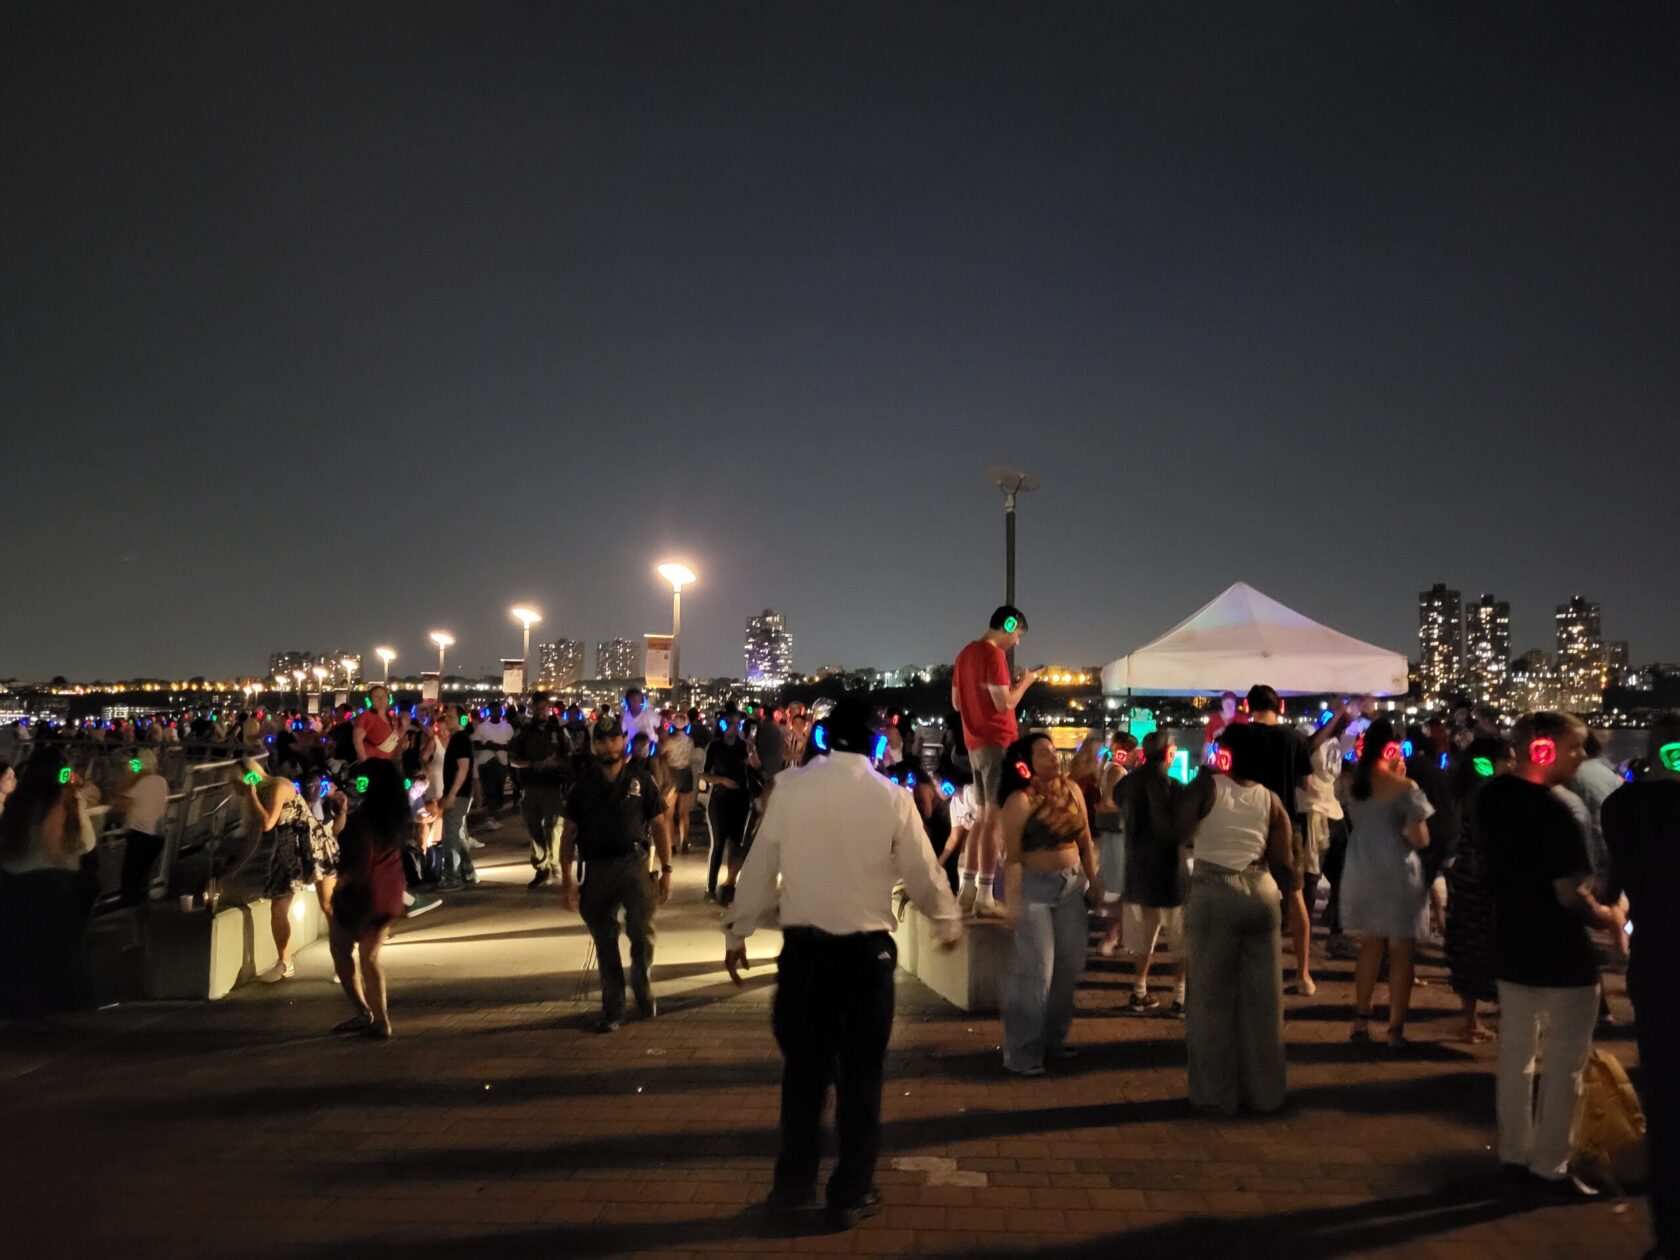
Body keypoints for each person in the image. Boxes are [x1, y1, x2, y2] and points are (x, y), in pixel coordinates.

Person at [722, 699, 963, 1231]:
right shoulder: (893, 799)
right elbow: (923, 875)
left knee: (804, 1074)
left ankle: (793, 1185)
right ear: (877, 742)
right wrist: (947, 922)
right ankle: (850, 1191)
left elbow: (760, 866)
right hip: (865, 957)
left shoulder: (789, 790)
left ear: (825, 737)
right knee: (861, 1078)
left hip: (805, 954)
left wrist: (738, 931)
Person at [1478, 711, 1625, 1199]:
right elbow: (1570, 893)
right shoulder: (1562, 809)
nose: (1581, 757)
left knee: (1515, 1055)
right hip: (1561, 950)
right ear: (1542, 749)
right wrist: (1610, 918)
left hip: (1511, 940)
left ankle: (1515, 1154)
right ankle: (1550, 1166)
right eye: (1575, 747)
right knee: (1564, 1065)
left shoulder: (1492, 795)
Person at [1176, 722, 1294, 1115]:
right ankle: (1264, 1092)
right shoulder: (1271, 800)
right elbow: (1285, 862)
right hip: (1261, 892)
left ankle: (1215, 1094)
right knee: (1262, 1002)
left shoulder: (1209, 787)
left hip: (1214, 891)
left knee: (1211, 1000)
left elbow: (1174, 828)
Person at [1601, 714, 1680, 1260]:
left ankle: (1669, 1231)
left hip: (1657, 963)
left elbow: (1612, 883)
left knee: (1668, 1098)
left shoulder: (1622, 808)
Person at [997, 731, 1103, 1075]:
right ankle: (1022, 1050)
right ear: (1026, 763)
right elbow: (1012, 858)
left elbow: (1085, 840)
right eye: (1043, 753)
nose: (1053, 757)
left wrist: (1094, 880)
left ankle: (1053, 1039)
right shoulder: (1020, 801)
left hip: (1071, 886)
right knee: (1035, 974)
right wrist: (1012, 905)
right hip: (1034, 891)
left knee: (1068, 968)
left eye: (1053, 752)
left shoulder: (1072, 791)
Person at [560, 714, 673, 1033]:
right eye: (602, 740)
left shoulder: (641, 780)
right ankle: (613, 1007)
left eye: (614, 739)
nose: (609, 745)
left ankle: (642, 988)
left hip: (634, 864)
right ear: (594, 744)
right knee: (605, 941)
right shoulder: (582, 785)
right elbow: (569, 834)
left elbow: (659, 825)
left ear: (624, 741)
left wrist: (666, 869)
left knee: (640, 931)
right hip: (596, 869)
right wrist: (568, 881)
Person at [1339, 719, 1434, 1048]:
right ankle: (1395, 1029)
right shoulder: (1405, 786)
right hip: (1397, 871)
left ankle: (1360, 1019)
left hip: (1362, 867)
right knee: (1401, 950)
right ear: (1393, 747)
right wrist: (1401, 773)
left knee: (1370, 946)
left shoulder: (1351, 784)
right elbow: (1419, 838)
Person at [951, 606, 1037, 917]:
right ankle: (986, 895)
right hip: (998, 744)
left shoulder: (964, 654)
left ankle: (968, 889)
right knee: (994, 820)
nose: (1017, 642)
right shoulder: (993, 656)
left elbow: (957, 703)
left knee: (981, 817)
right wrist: (1026, 682)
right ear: (1009, 624)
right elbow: (1006, 703)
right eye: (1018, 634)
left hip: (974, 745)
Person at [0, 748, 97, 1016]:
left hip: (14, 881)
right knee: (56, 951)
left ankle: (20, 1007)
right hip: (48, 880)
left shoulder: (17, 801)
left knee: (21, 950)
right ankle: (57, 1007)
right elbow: (68, 844)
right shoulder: (57, 799)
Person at [328, 760, 417, 1039]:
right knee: (371, 957)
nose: (357, 786)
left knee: (341, 951)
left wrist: (339, 887)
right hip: (389, 893)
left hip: (361, 895)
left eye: (362, 782)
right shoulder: (397, 817)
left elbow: (358, 863)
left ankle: (364, 1012)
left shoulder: (362, 820)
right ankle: (381, 1019)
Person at [1240, 685, 1317, 997]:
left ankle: (1249, 971)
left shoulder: (1240, 737)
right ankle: (1303, 973)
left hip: (1248, 822)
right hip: (1287, 823)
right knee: (1295, 895)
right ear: (1280, 705)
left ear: (1248, 707)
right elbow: (1308, 784)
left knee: (1247, 894)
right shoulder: (1296, 739)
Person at [1107, 731, 1188, 1014]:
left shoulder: (1128, 784)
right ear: (1168, 754)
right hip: (1170, 876)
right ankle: (1181, 996)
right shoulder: (1175, 787)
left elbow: (1115, 802)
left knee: (1143, 939)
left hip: (1137, 873)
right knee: (1181, 941)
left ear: (1143, 754)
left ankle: (1139, 990)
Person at [246, 757, 342, 984]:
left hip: (313, 845)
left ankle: (342, 960)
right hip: (289, 851)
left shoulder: (279, 786)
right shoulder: (265, 793)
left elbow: (268, 823)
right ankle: (284, 962)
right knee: (278, 906)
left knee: (328, 904)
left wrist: (251, 796)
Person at [1442, 736, 1511, 1044]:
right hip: (1484, 874)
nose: (1511, 764)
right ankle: (1490, 1020)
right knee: (1491, 944)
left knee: (1466, 944)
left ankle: (1470, 1020)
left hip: (1464, 873)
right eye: (1507, 758)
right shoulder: (1487, 791)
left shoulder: (1466, 786)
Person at [510, 696, 569, 890]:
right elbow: (512, 759)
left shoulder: (558, 732)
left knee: (554, 829)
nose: (541, 711)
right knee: (534, 829)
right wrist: (531, 764)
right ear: (532, 709)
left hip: (553, 787)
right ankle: (542, 867)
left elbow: (569, 758)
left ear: (549, 709)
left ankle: (554, 864)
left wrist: (556, 763)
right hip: (530, 787)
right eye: (538, 708)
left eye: (544, 708)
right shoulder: (524, 732)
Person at [700, 710, 752, 904]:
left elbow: (755, 768)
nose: (732, 728)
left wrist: (751, 750)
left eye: (736, 725)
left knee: (736, 844)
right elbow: (704, 774)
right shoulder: (715, 746)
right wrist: (722, 780)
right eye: (729, 725)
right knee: (719, 843)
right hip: (720, 799)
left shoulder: (743, 747)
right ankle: (710, 888)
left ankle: (731, 885)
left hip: (740, 799)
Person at [113, 747, 170, 907]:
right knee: (143, 883)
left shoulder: (141, 783)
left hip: (140, 838)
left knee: (131, 886)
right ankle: (142, 925)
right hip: (157, 837)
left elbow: (119, 803)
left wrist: (127, 775)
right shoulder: (161, 781)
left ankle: (133, 924)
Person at [435, 705, 478, 888]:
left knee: (450, 836)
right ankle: (468, 872)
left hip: (459, 794)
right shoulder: (457, 739)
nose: (447, 719)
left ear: (460, 719)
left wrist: (451, 793)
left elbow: (463, 767)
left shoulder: (460, 739)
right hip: (460, 793)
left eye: (451, 716)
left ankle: (452, 877)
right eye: (446, 716)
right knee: (458, 833)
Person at [659, 715, 697, 854]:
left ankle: (671, 844)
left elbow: (659, 753)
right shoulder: (690, 741)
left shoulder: (669, 742)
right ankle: (684, 841)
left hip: (672, 775)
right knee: (684, 812)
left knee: (669, 813)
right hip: (687, 774)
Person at [352, 685, 400, 763]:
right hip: (373, 764)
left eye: (383, 696)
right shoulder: (366, 716)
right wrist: (365, 763)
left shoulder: (390, 718)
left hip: (387, 763)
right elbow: (357, 741)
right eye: (376, 696)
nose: (381, 699)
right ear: (371, 700)